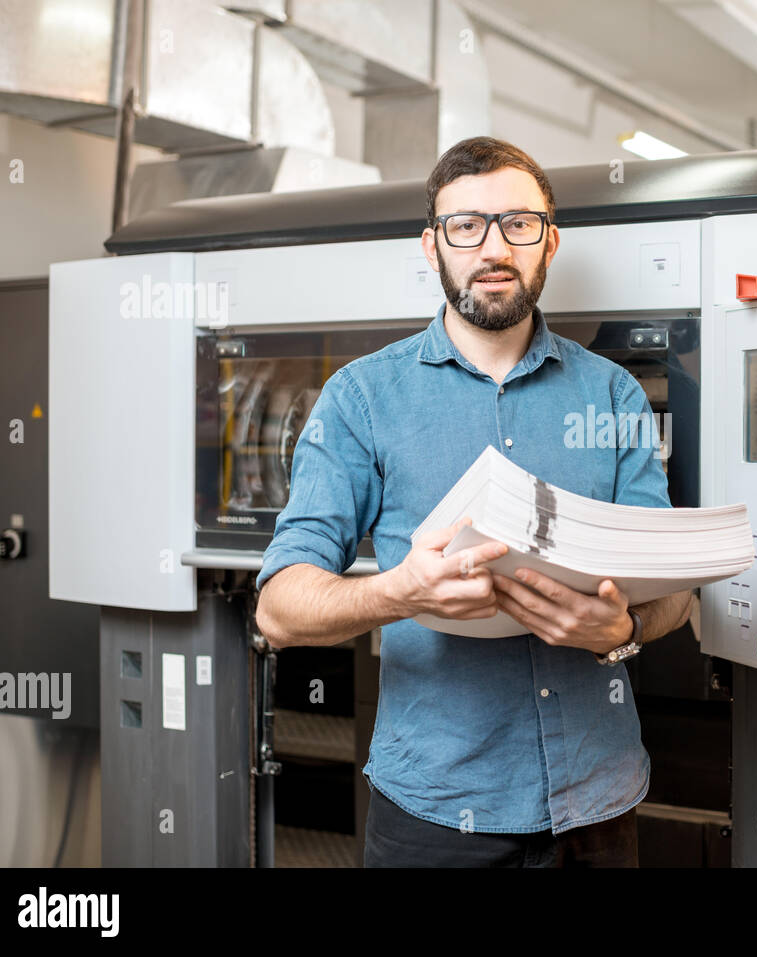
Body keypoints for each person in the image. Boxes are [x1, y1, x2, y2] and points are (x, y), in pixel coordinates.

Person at [254, 136, 692, 867]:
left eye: (518, 223)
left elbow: (673, 589)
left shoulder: (612, 394)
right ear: (433, 246)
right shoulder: (362, 397)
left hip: (597, 803)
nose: (493, 246)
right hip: (434, 816)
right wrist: (399, 590)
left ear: (549, 240)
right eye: (466, 226)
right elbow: (278, 607)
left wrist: (622, 627)